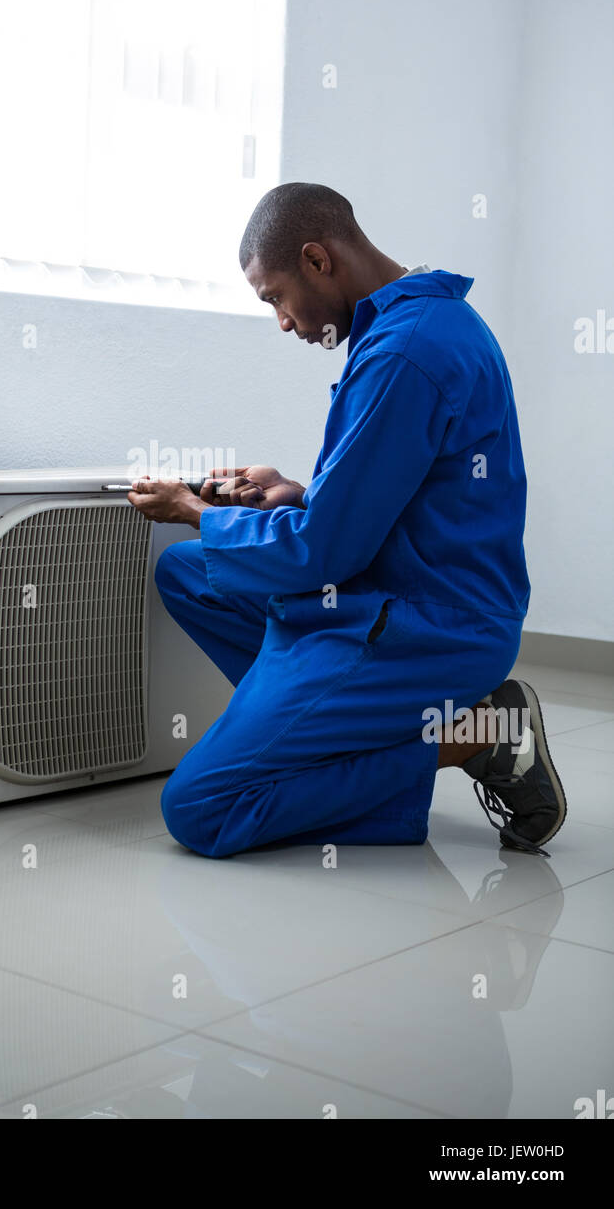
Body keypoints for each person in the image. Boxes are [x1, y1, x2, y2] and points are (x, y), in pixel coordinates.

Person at [127, 183, 566, 860]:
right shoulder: (414, 324)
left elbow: (322, 553)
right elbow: (385, 503)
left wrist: (193, 510)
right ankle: (321, 738)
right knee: (188, 573)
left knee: (201, 809)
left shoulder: (403, 353)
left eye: (275, 297)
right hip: (391, 592)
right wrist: (295, 494)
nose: (281, 320)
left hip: (428, 628)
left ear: (316, 259)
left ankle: (477, 733)